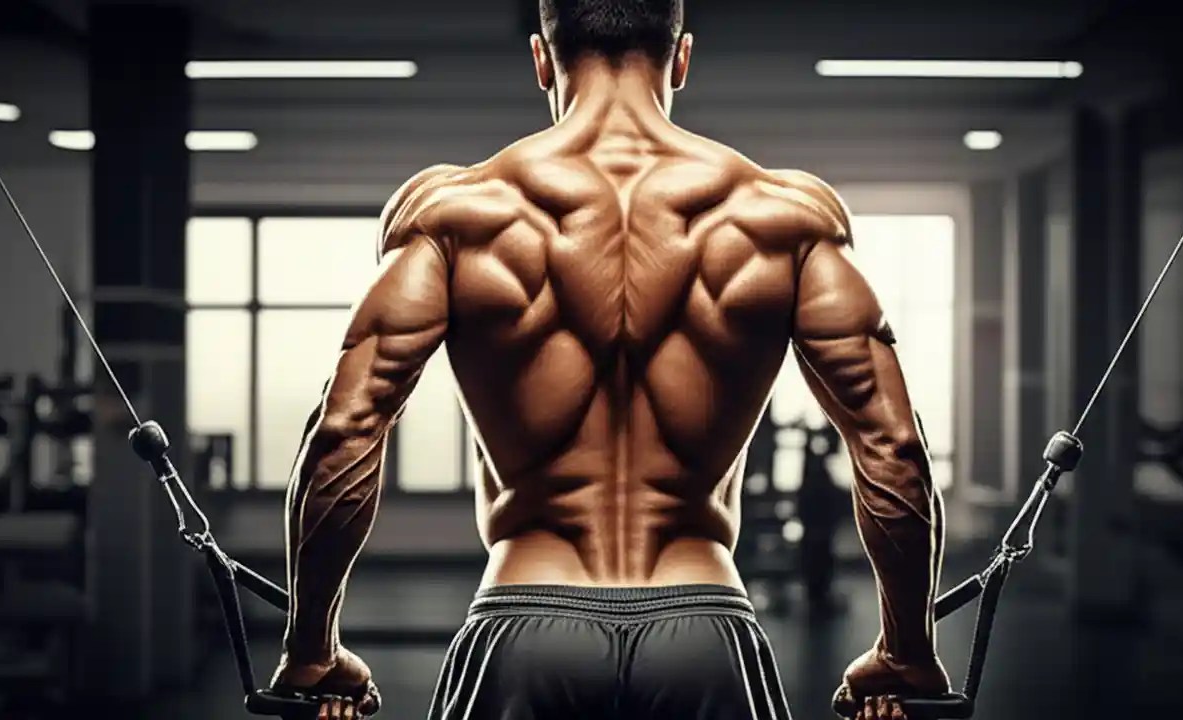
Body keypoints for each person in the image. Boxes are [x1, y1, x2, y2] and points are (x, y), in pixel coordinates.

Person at [268, 1, 949, 718]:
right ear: (681, 58)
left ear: (542, 59)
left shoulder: (458, 215)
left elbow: (346, 431)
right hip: (704, 625)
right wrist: (906, 652)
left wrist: (313, 651)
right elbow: (892, 447)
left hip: (523, 622)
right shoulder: (783, 218)